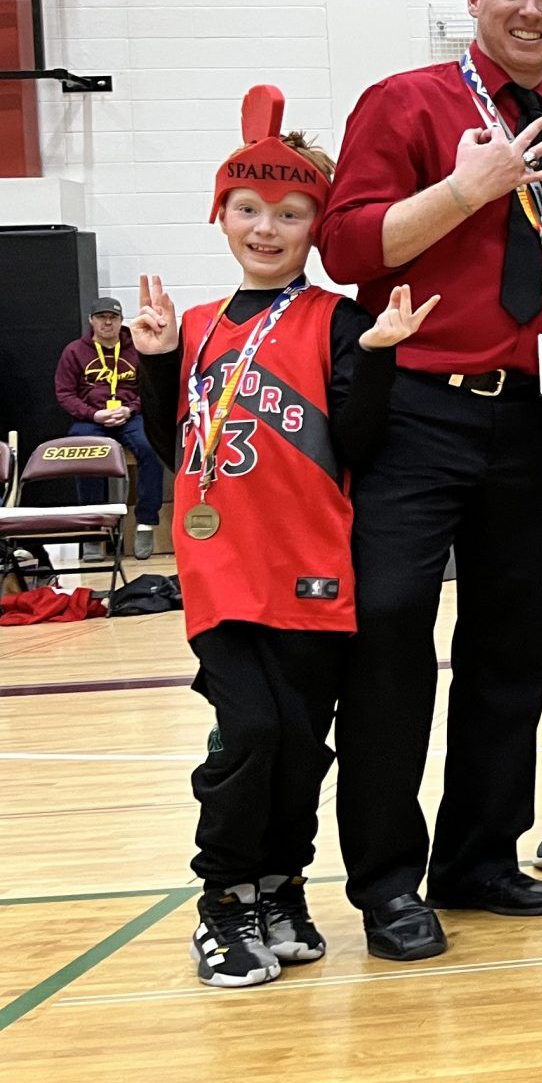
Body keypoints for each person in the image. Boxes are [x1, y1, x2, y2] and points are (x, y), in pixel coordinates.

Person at [317, 0, 542, 961]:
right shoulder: (404, 102)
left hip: (535, 417)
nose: (533, 12)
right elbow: (347, 249)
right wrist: (464, 190)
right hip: (417, 411)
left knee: (513, 647)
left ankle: (481, 857)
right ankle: (387, 885)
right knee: (392, 635)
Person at [129, 125, 423, 986]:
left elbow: (360, 443)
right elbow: (173, 445)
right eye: (249, 209)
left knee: (300, 743)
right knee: (250, 732)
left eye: (290, 213)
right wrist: (153, 368)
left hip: (311, 565)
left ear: (314, 223)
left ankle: (280, 884)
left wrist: (378, 361)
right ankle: (224, 899)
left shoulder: (340, 320)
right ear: (221, 215)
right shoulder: (191, 327)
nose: (267, 227)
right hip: (221, 567)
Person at [54, 296, 164, 556]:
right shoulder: (74, 351)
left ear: (120, 321)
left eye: (113, 317)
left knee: (151, 448)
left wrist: (130, 409)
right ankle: (94, 529)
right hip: (92, 418)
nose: (107, 322)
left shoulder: (136, 348)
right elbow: (65, 394)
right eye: (101, 317)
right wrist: (94, 415)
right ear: (92, 321)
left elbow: (149, 388)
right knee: (85, 452)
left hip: (129, 415)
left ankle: (146, 523)